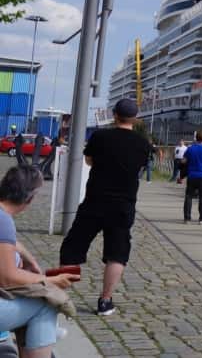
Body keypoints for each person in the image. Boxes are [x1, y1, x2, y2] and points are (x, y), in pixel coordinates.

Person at [58, 99, 152, 316]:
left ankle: (59, 295)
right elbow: (139, 167)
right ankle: (105, 301)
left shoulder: (100, 136)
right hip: (123, 204)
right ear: (135, 119)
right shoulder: (143, 143)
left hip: (95, 200)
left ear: (114, 114)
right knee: (117, 253)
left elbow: (89, 160)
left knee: (73, 246)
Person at [0, 165, 80, 357]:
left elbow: (9, 244)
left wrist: (30, 260)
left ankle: (41, 339)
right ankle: (40, 345)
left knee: (33, 296)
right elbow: (7, 277)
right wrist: (51, 281)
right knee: (46, 302)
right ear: (29, 198)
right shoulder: (3, 220)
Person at [182, 129, 202, 225]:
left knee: (188, 197)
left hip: (192, 175)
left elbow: (183, 161)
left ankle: (187, 218)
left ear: (196, 138)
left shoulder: (190, 148)